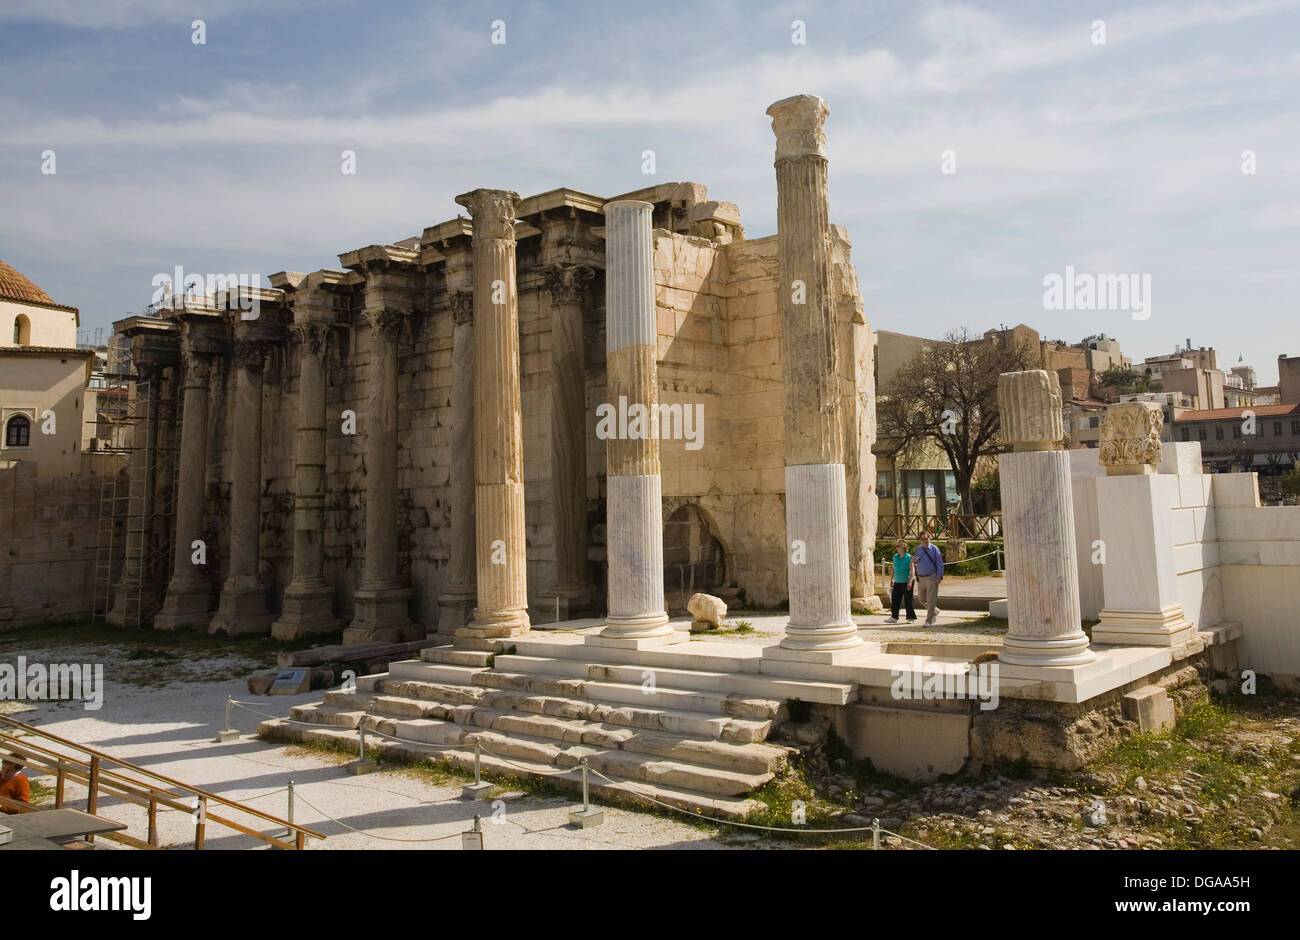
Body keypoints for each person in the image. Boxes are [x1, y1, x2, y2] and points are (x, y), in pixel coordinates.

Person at [913, 531, 944, 626]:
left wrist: (939, 576)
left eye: (926, 539)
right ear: (920, 540)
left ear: (929, 538)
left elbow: (940, 563)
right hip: (920, 578)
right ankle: (934, 610)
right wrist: (914, 560)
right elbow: (915, 559)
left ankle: (929, 620)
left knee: (931, 600)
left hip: (932, 577)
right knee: (921, 599)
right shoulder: (918, 549)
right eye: (923, 539)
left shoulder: (934, 549)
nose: (925, 541)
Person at [883, 539, 916, 623]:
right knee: (895, 600)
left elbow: (913, 571)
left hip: (907, 581)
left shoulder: (909, 557)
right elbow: (894, 568)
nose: (897, 548)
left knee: (908, 600)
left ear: (903, 547)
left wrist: (910, 582)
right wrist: (892, 579)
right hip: (897, 581)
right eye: (897, 546)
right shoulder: (895, 557)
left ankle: (911, 618)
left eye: (898, 546)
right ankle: (894, 617)